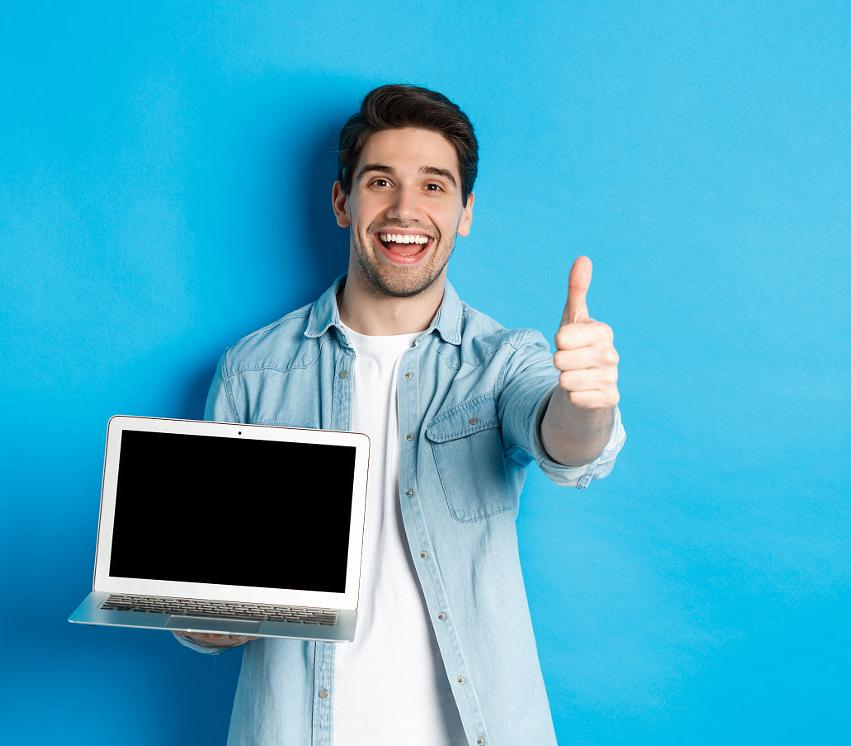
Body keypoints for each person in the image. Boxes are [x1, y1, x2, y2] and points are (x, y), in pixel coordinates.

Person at [175, 84, 625, 746]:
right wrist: (206, 619)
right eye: (380, 181)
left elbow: (565, 440)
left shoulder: (503, 361)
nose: (405, 208)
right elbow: (204, 599)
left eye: (435, 186)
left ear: (466, 211)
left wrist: (588, 402)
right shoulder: (252, 372)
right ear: (342, 202)